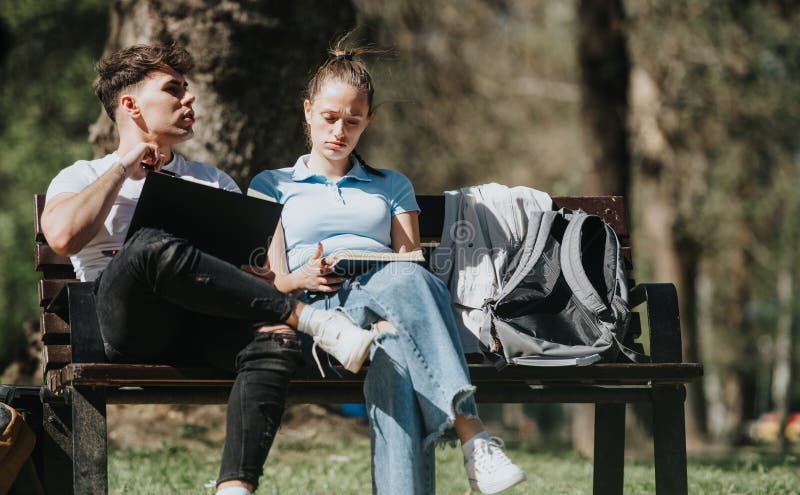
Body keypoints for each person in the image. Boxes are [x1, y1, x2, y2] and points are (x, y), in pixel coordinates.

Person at [40, 44, 375, 495]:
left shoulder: (214, 181)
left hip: (202, 322)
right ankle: (310, 319)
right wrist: (126, 166)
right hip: (125, 324)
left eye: (188, 89)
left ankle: (235, 487)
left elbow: (248, 272)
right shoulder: (83, 175)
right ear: (130, 104)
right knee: (149, 245)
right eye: (173, 90)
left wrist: (263, 276)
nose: (189, 100)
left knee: (274, 342)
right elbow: (62, 236)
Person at [249, 41, 528, 495]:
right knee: (405, 286)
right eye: (329, 118)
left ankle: (470, 446)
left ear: (368, 122)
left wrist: (385, 312)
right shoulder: (272, 185)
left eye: (353, 121)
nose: (340, 130)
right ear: (307, 111)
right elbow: (273, 283)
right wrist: (301, 277)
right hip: (321, 317)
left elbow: (410, 261)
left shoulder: (391, 185)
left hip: (386, 310)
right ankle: (473, 434)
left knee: (396, 342)